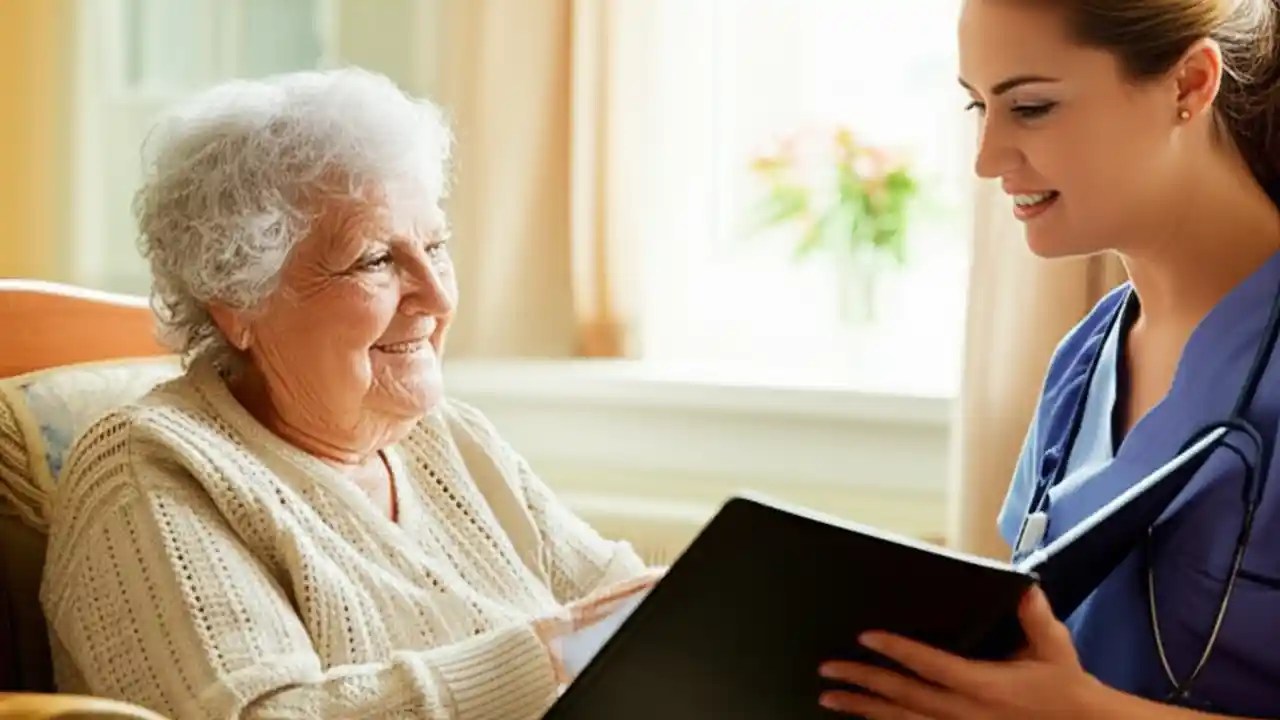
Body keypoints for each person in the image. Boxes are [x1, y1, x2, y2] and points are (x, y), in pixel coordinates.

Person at [38, 68, 658, 720]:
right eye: (375, 260)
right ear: (236, 302)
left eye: (435, 247)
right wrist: (550, 654)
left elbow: (627, 609)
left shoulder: (451, 438)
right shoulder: (150, 470)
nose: (438, 296)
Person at [818, 0, 1280, 717]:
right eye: (978, 107)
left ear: (1189, 84)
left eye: (1030, 107)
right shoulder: (1081, 368)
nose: (986, 159)